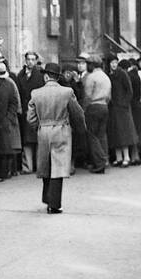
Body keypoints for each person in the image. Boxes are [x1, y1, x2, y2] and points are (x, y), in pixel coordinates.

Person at [26, 62, 86, 214]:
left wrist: (39, 128)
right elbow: (77, 113)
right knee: (58, 168)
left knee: (46, 165)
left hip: (43, 130)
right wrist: (79, 129)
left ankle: (47, 198)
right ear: (57, 77)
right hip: (61, 130)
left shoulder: (36, 93)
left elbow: (30, 118)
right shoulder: (67, 92)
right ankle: (55, 204)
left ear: (46, 76)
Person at [0, 61, 22, 181]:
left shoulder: (9, 84)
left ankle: (2, 173)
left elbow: (14, 102)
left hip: (5, 120)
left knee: (4, 148)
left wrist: (8, 117)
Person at [14, 52, 46, 175]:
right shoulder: (21, 75)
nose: (30, 62)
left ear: (36, 61)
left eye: (33, 59)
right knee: (27, 140)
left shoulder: (41, 75)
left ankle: (40, 166)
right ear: (25, 61)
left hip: (38, 111)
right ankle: (27, 167)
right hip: (25, 110)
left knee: (38, 139)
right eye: (28, 59)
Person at [80, 58, 110, 173]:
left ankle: (99, 161)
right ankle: (104, 159)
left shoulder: (91, 77)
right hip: (104, 106)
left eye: (87, 64)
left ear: (91, 65)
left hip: (93, 107)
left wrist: (83, 109)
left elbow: (87, 96)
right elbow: (109, 96)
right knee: (101, 135)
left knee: (92, 136)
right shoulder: (106, 77)